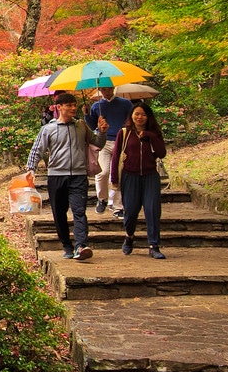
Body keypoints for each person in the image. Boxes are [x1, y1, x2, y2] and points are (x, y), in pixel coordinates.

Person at [26, 91, 99, 261]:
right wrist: (31, 168)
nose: (73, 108)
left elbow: (98, 142)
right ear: (59, 107)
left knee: (79, 211)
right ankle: (67, 245)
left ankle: (81, 245)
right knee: (59, 213)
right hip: (56, 176)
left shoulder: (81, 125)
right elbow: (37, 149)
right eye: (69, 105)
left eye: (74, 105)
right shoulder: (48, 129)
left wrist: (102, 131)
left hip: (79, 175)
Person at [111, 102, 168, 258]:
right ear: (131, 116)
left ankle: (154, 245)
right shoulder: (124, 133)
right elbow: (116, 156)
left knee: (152, 210)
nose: (140, 117)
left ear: (148, 117)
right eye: (137, 114)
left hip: (150, 176)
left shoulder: (154, 132)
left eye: (143, 114)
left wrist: (150, 136)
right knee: (130, 211)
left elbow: (162, 153)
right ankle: (129, 237)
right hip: (130, 176)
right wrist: (114, 178)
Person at [87, 85, 135, 218]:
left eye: (108, 89)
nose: (106, 92)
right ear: (100, 90)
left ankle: (118, 206)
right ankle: (102, 198)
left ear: (113, 88)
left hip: (121, 140)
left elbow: (132, 119)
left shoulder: (125, 103)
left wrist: (128, 125)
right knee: (103, 172)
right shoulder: (97, 106)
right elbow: (92, 125)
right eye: (103, 90)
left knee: (119, 172)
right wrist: (86, 114)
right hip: (104, 141)